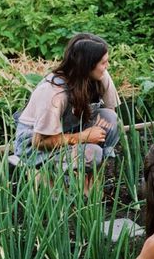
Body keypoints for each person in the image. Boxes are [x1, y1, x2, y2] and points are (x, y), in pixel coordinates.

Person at [14, 33, 120, 184]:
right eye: (103, 63)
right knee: (91, 153)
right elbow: (40, 142)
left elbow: (111, 117)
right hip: (36, 146)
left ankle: (89, 182)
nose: (106, 66)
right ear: (87, 65)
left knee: (109, 119)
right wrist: (82, 137)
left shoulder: (100, 76)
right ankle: (52, 179)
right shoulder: (53, 93)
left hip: (71, 130)